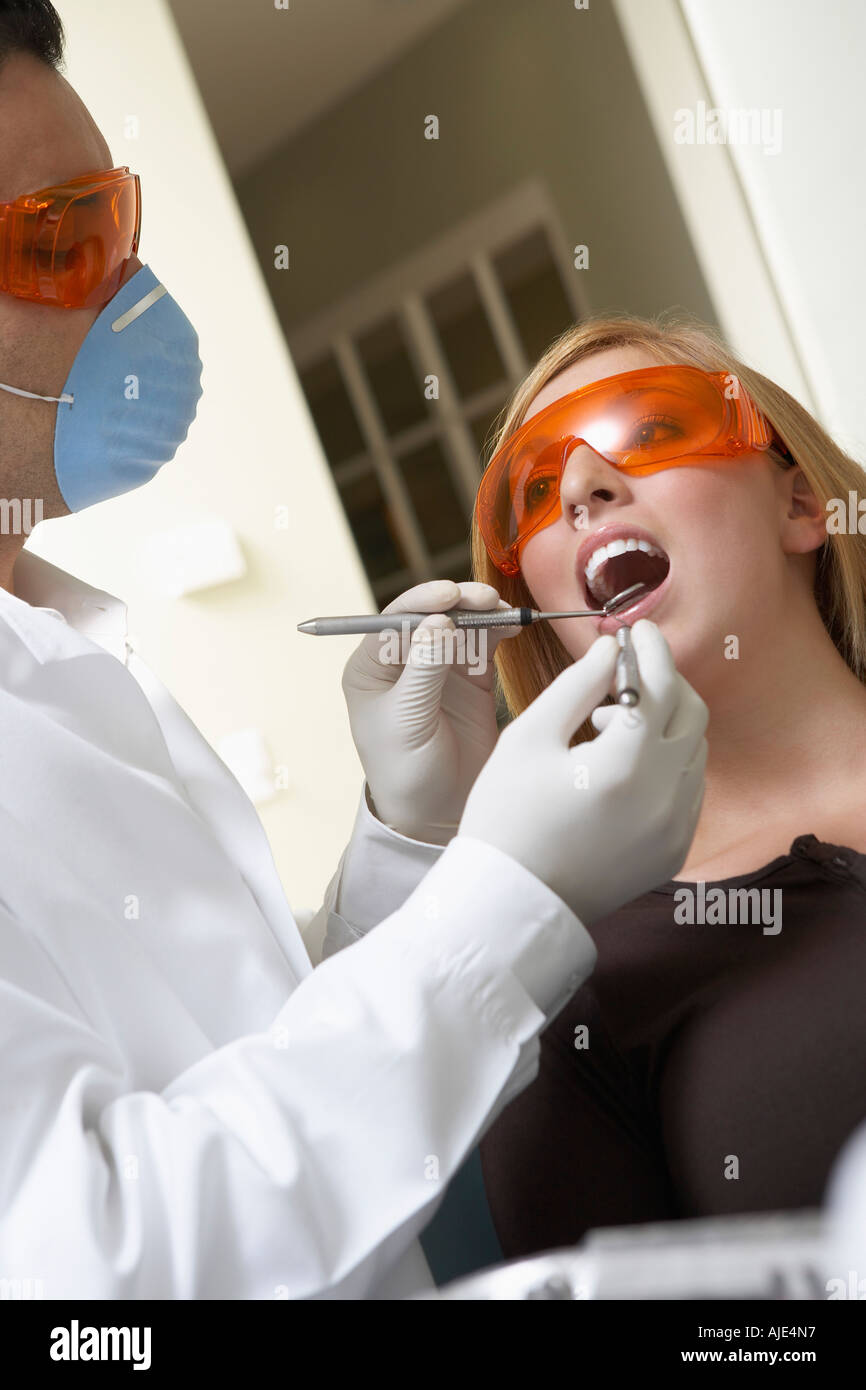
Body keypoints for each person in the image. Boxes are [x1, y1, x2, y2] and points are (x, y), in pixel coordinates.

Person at [0, 4, 707, 1298]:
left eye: (117, 220)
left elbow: (254, 1051)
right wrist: (511, 896)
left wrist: (410, 840)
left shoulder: (60, 644)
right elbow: (95, 1267)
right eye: (62, 239)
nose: (125, 285)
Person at [459, 314, 866, 1258]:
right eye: (533, 489)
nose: (580, 490)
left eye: (648, 432)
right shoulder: (577, 980)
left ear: (803, 506)